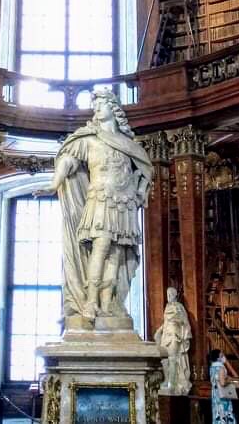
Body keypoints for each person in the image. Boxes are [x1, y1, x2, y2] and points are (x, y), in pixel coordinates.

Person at [34, 88, 152, 329]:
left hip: (124, 202)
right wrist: (54, 183)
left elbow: (144, 171)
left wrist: (140, 189)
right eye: (95, 104)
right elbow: (68, 160)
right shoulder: (88, 138)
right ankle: (90, 301)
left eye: (101, 104)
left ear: (114, 108)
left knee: (118, 253)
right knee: (100, 247)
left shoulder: (128, 143)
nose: (96, 108)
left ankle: (108, 304)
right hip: (100, 197)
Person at [208, 349, 237, 424]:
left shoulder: (211, 368)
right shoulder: (221, 367)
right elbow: (222, 383)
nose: (223, 356)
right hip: (222, 396)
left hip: (215, 394)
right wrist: (230, 379)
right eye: (221, 355)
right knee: (224, 414)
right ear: (218, 357)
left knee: (217, 414)